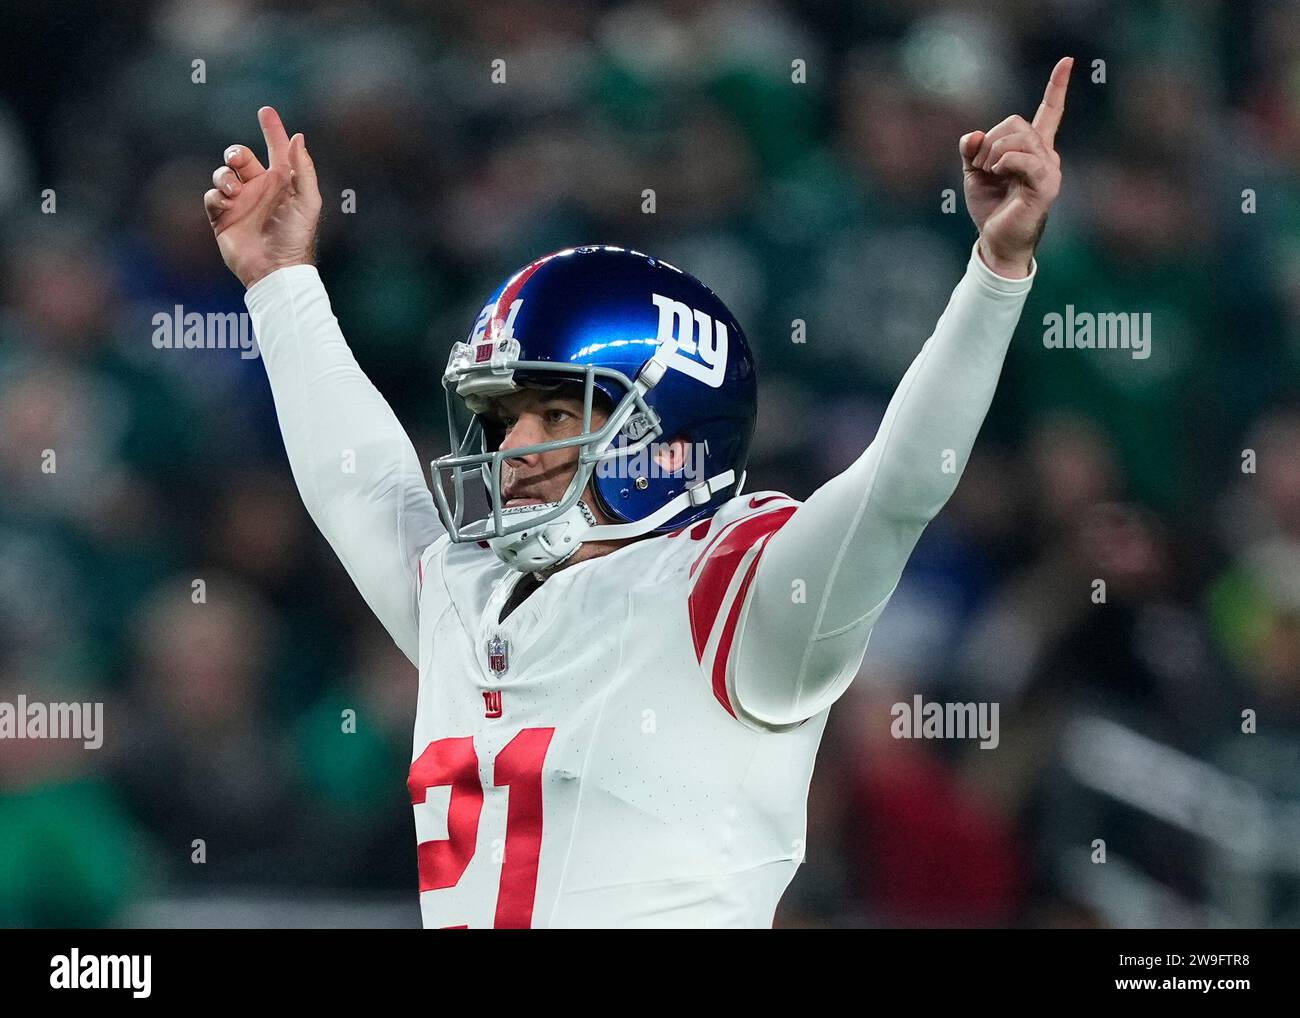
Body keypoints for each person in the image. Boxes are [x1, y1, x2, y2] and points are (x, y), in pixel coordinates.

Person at [203, 57, 1072, 928]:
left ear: (667, 424)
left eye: (552, 414)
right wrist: (282, 285)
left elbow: (900, 485)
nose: (512, 447)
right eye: (503, 418)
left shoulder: (734, 596)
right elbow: (361, 489)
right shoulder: (473, 590)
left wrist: (995, 273)